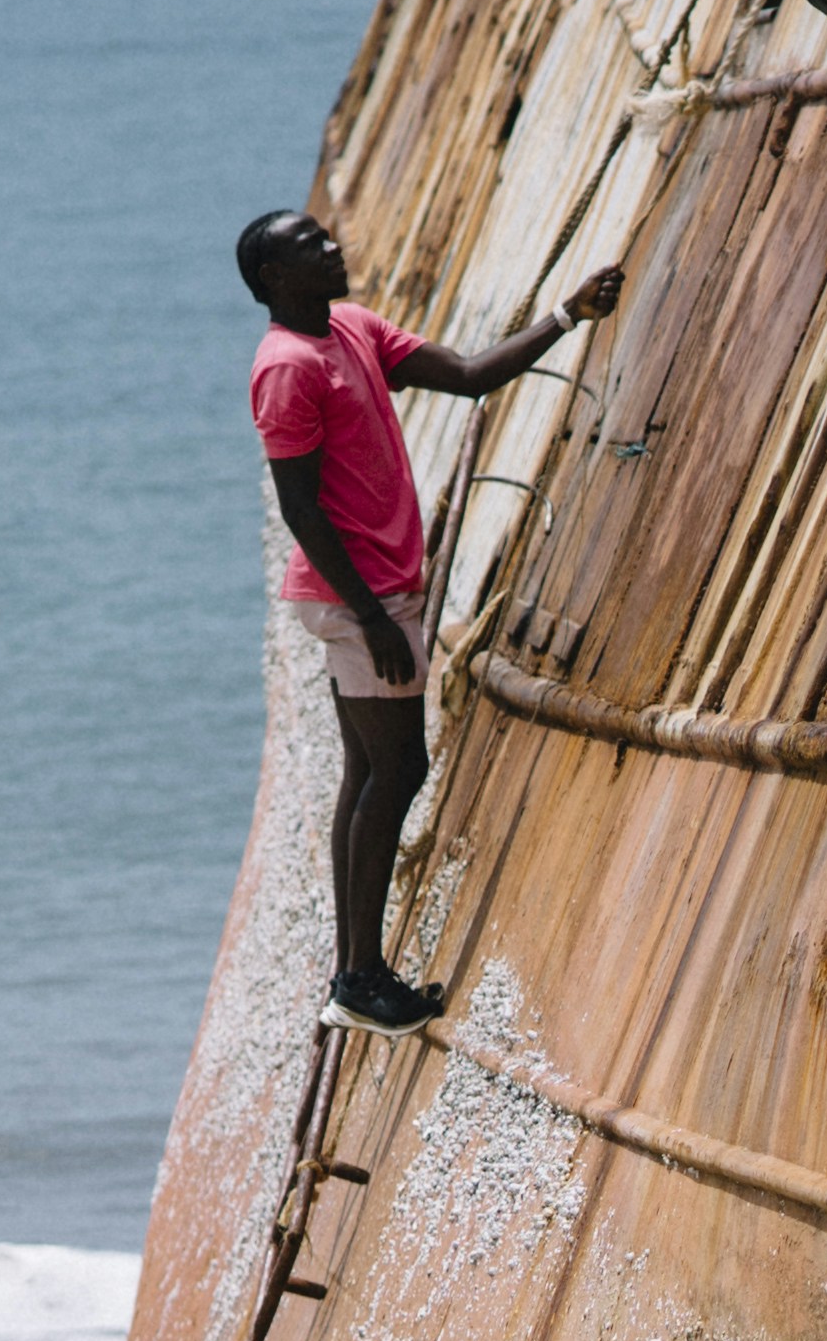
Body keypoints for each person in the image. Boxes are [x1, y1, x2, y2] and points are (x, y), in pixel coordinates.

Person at [237, 208, 615, 1027]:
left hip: (374, 594)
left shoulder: (353, 330)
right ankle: (361, 977)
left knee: (369, 774)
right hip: (359, 599)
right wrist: (373, 618)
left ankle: (355, 977)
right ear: (273, 279)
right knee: (400, 770)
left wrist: (566, 315)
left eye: (330, 237)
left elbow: (474, 376)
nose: (335, 248)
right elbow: (301, 510)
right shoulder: (287, 367)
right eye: (311, 249)